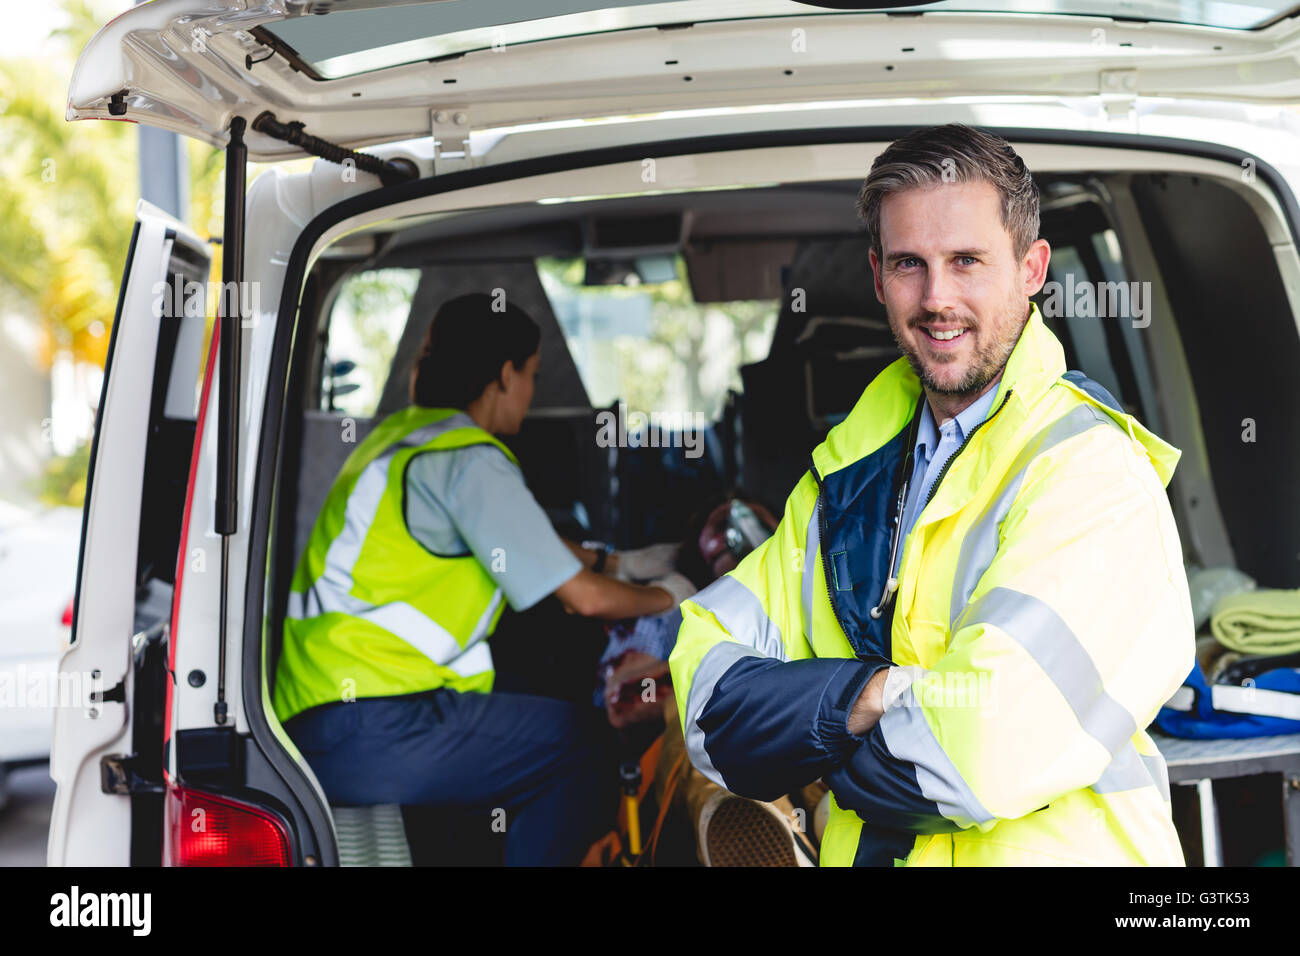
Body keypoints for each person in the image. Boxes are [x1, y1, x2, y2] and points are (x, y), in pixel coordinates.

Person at [669, 124, 1195, 867]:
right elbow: (705, 694)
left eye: (967, 262)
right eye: (911, 264)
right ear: (879, 275)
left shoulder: (1090, 473)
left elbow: (973, 756)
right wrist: (874, 692)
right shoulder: (846, 473)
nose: (937, 298)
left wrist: (809, 753)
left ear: (1032, 267)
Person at [273, 292, 694, 866]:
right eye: (533, 376)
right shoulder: (471, 457)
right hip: (376, 724)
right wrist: (672, 596)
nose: (531, 392)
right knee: (582, 746)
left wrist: (617, 561)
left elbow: (526, 548)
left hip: (321, 716)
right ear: (504, 374)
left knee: (534, 710)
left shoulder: (403, 440)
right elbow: (584, 602)